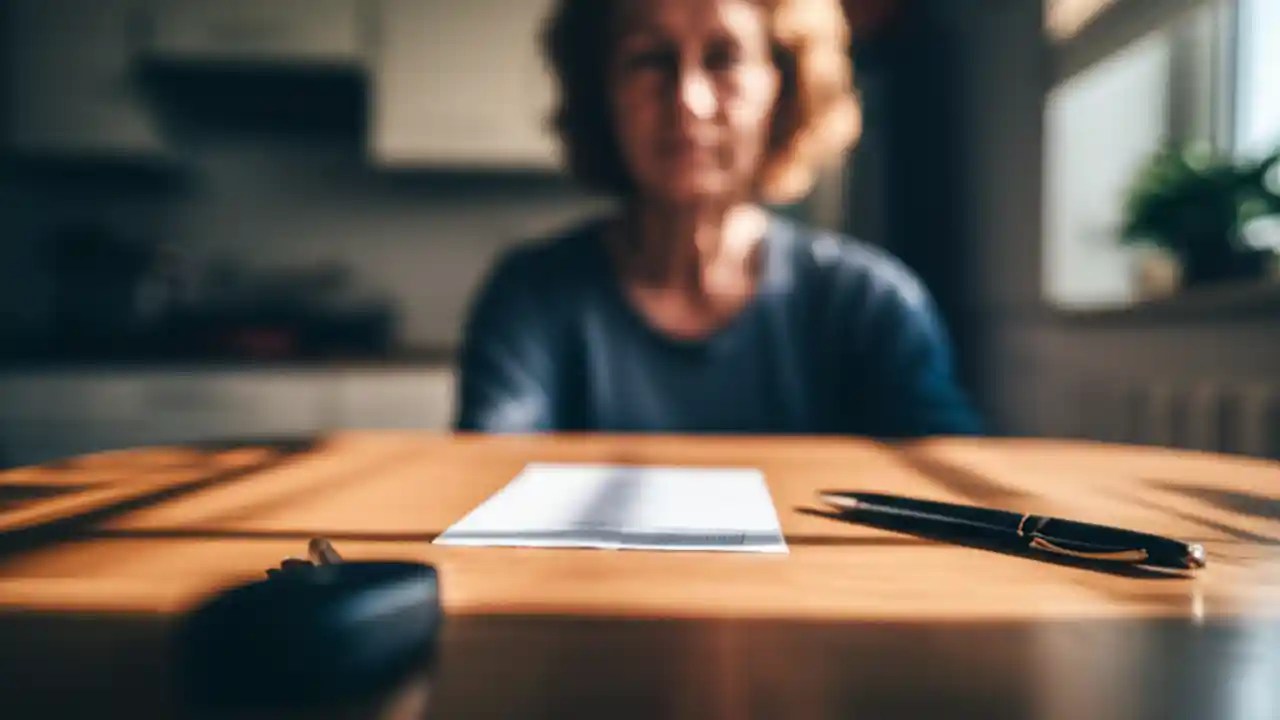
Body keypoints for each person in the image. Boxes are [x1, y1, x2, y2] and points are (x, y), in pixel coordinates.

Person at [456, 0, 980, 437]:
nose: (688, 100)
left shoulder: (870, 304)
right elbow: (488, 472)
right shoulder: (531, 296)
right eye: (651, 59)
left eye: (724, 58)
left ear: (783, 87)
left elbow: (957, 496)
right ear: (601, 92)